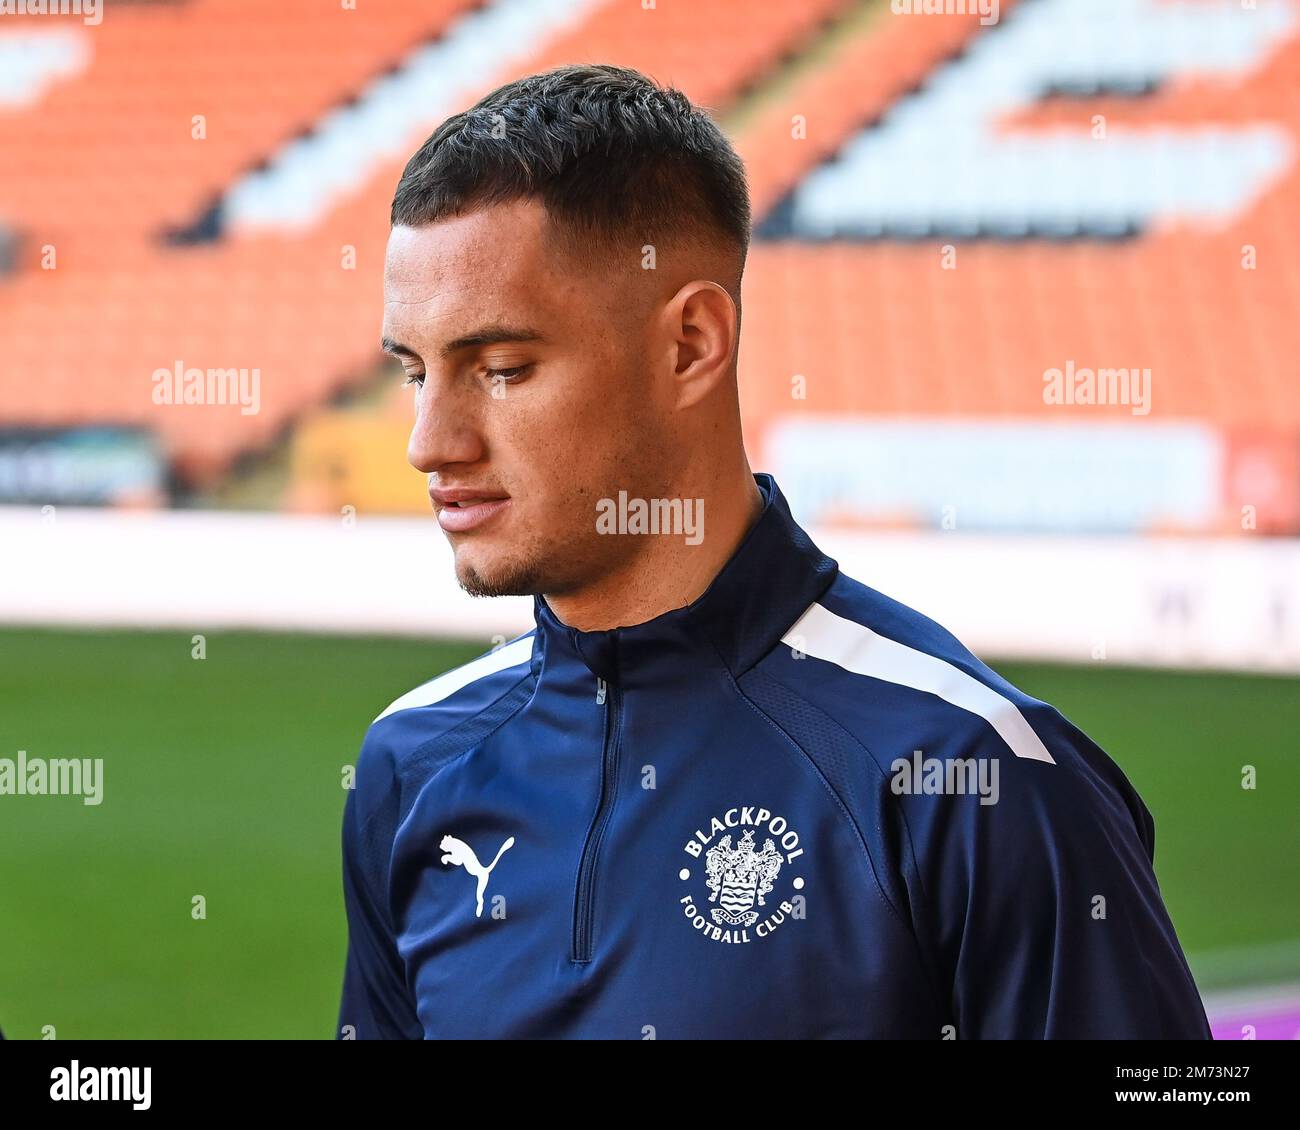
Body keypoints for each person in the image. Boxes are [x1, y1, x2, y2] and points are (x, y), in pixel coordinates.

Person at [337, 63, 1211, 1039]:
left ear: (691, 345)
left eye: (500, 369)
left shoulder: (972, 771)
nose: (429, 441)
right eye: (414, 372)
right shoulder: (411, 765)